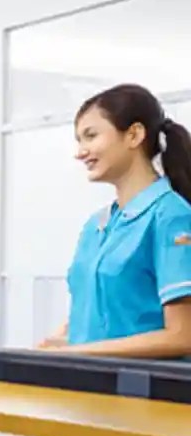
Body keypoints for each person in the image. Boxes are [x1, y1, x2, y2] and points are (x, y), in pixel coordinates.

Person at [39, 84, 191, 357]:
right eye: (79, 141)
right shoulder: (95, 226)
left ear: (134, 135)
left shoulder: (171, 217)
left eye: (91, 136)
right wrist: (55, 344)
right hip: (88, 387)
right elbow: (94, 324)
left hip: (146, 394)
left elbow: (183, 335)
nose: (80, 152)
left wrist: (76, 354)